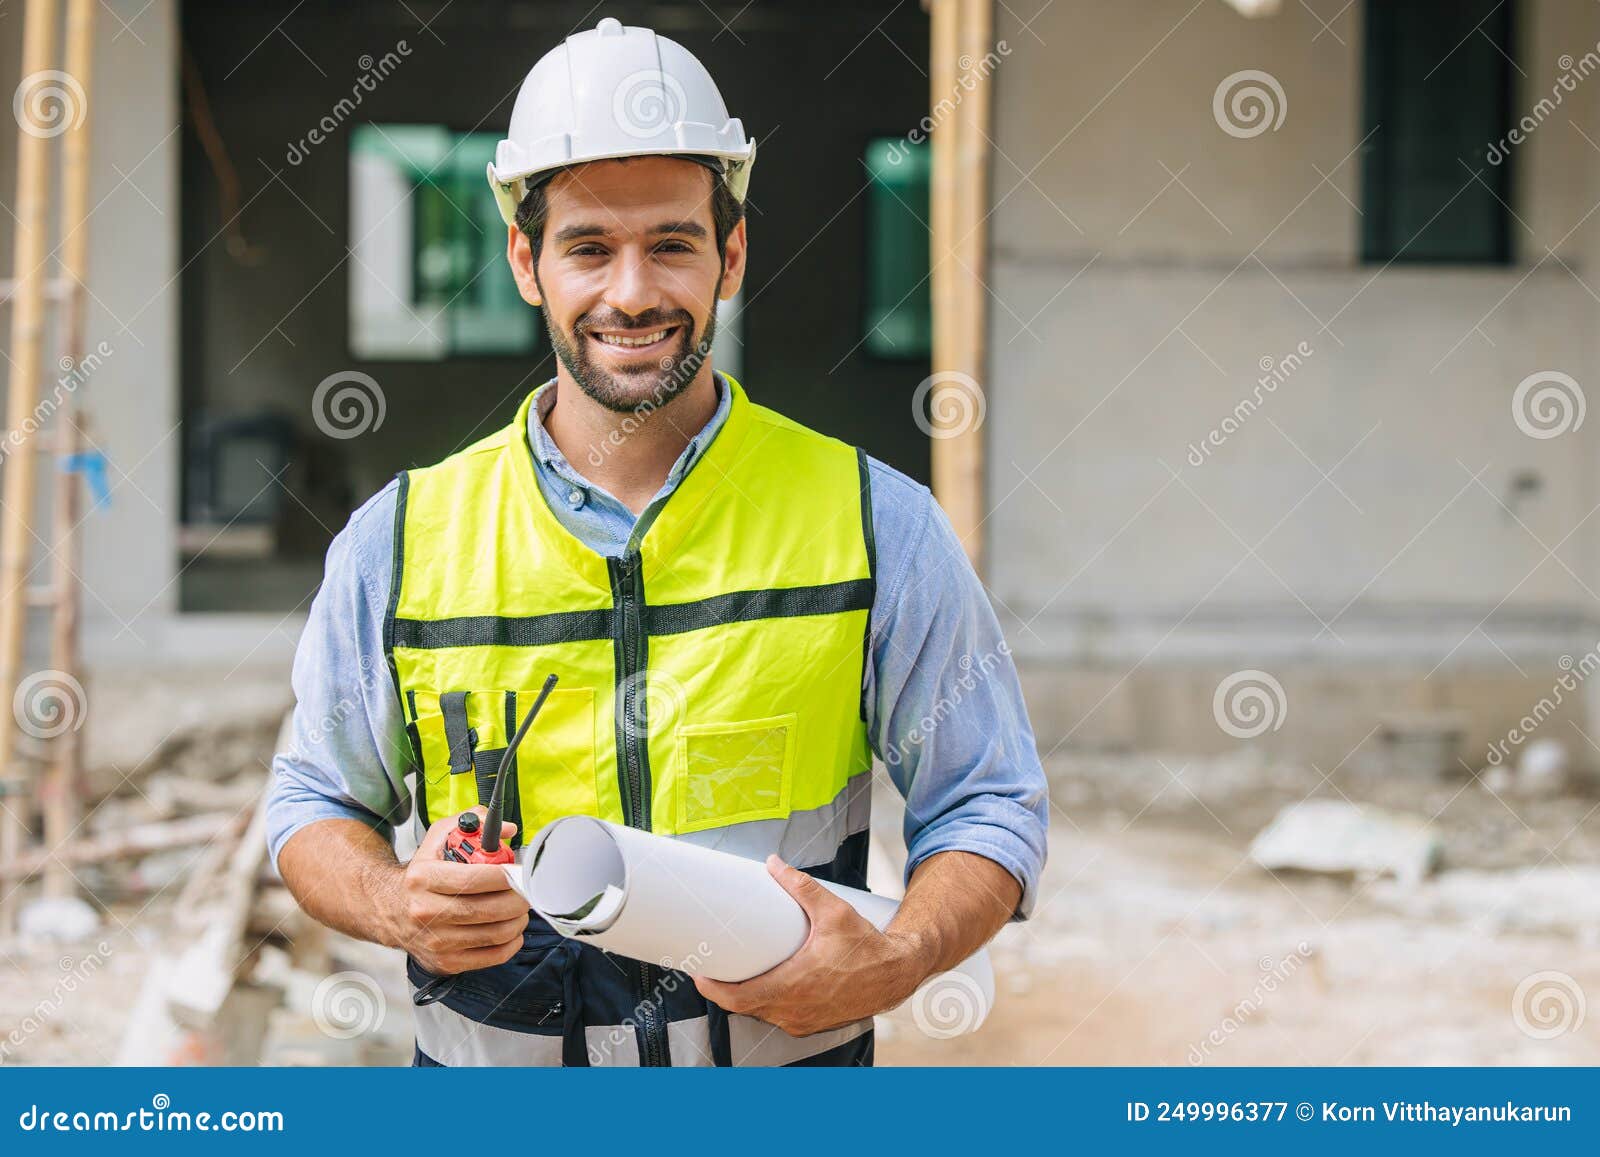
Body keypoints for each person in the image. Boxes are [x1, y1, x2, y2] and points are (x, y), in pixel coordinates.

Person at [268, 17, 1047, 1067]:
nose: (631, 293)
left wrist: (898, 955)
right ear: (527, 262)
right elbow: (315, 800)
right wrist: (393, 899)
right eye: (589, 247)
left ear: (731, 254)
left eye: (671, 244)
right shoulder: (401, 543)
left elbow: (989, 800)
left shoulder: (874, 524)